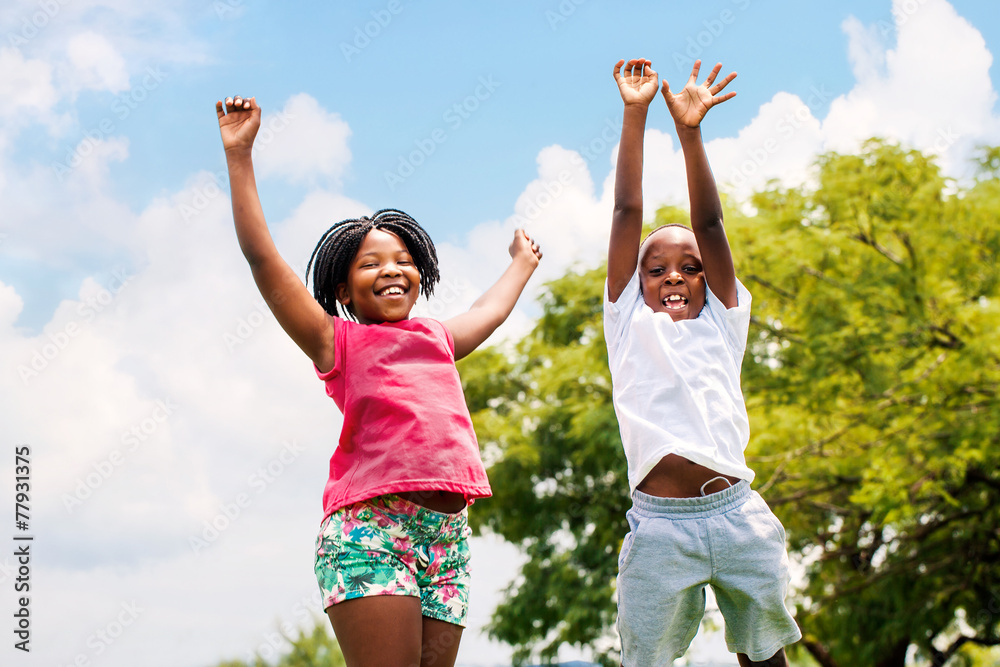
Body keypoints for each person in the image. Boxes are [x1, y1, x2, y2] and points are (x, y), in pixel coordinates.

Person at [216, 94, 542, 667]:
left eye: (401, 259)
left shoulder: (437, 338)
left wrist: (520, 262)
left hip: (446, 538)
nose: (390, 268)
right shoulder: (336, 341)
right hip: (371, 531)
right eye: (369, 263)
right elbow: (264, 261)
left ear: (420, 273)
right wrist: (240, 155)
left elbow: (489, 311)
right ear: (344, 291)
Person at [605, 59, 802, 666]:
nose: (675, 277)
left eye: (690, 268)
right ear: (636, 283)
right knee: (646, 656)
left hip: (737, 515)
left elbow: (710, 223)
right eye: (657, 268)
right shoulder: (626, 322)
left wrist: (690, 134)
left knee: (765, 650)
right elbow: (626, 214)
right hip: (661, 528)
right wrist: (635, 114)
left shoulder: (723, 320)